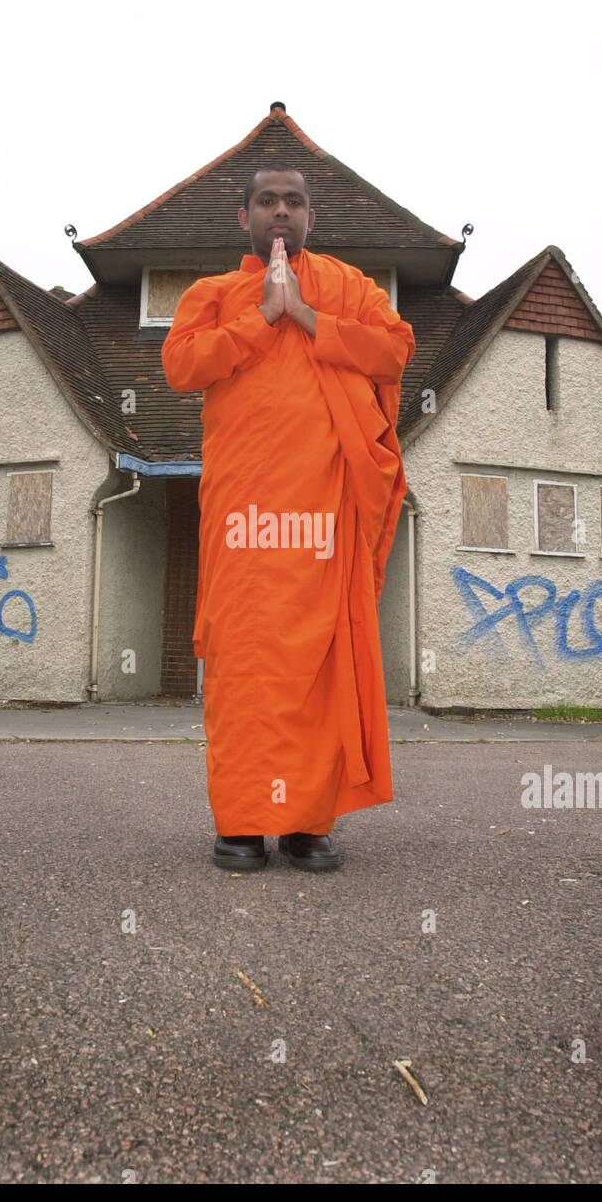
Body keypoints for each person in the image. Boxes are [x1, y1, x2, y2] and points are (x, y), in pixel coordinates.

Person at [162, 167, 416, 872]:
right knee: (245, 659)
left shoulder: (348, 288)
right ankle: (243, 822)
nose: (281, 211)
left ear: (312, 216)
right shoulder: (211, 295)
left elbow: (395, 350)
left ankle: (307, 821)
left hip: (324, 511)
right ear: (243, 216)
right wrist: (263, 317)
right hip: (243, 514)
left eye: (294, 201)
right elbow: (182, 364)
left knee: (318, 660)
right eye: (267, 201)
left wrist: (306, 314)